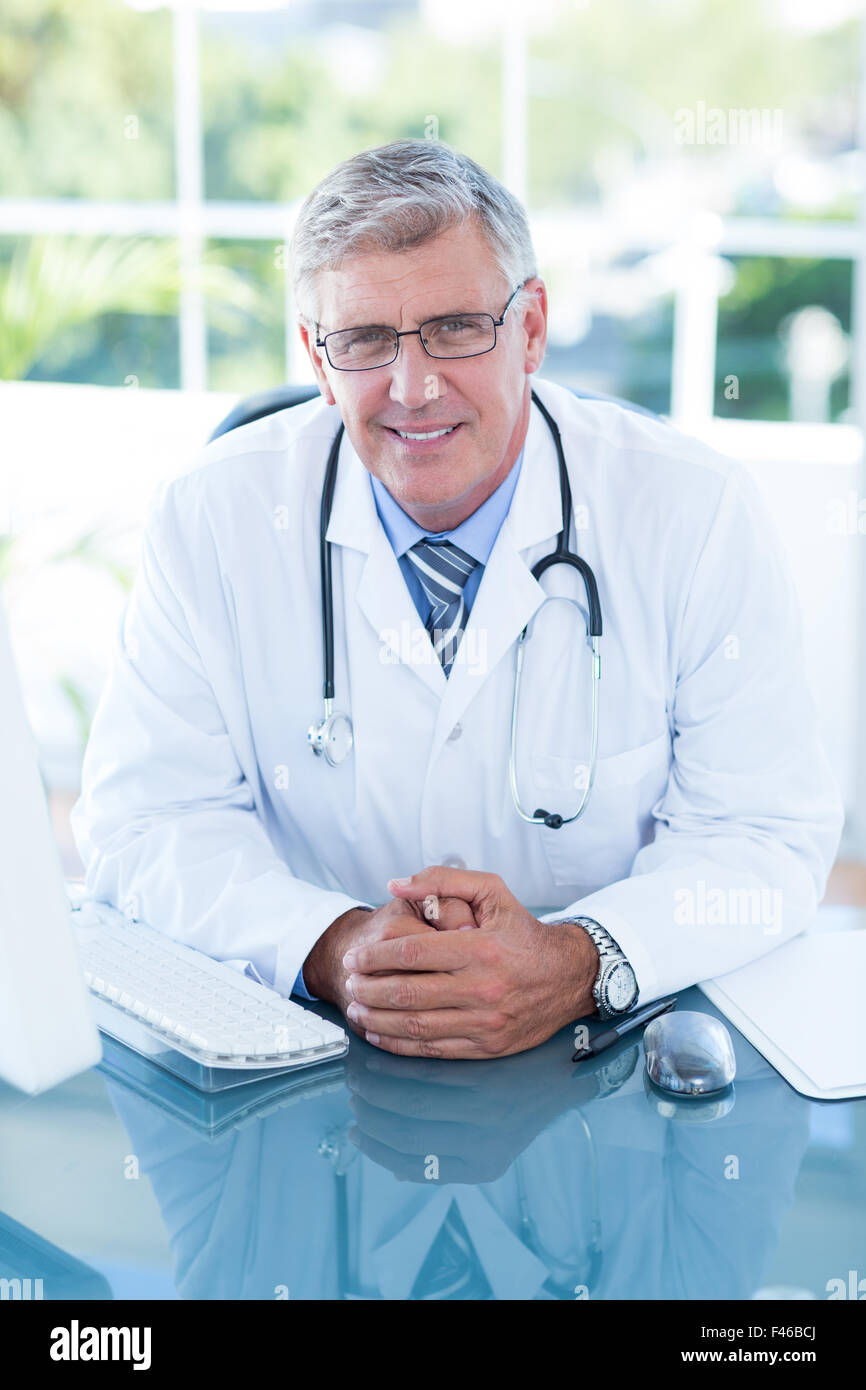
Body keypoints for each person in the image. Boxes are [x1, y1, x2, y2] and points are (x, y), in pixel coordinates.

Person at [71, 138, 844, 1060]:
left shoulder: (694, 511)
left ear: (531, 328)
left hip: (611, 1050)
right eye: (363, 341)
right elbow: (145, 823)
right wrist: (330, 946)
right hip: (312, 1049)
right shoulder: (208, 518)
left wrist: (578, 959)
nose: (414, 386)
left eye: (456, 326)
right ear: (318, 360)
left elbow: (761, 837)